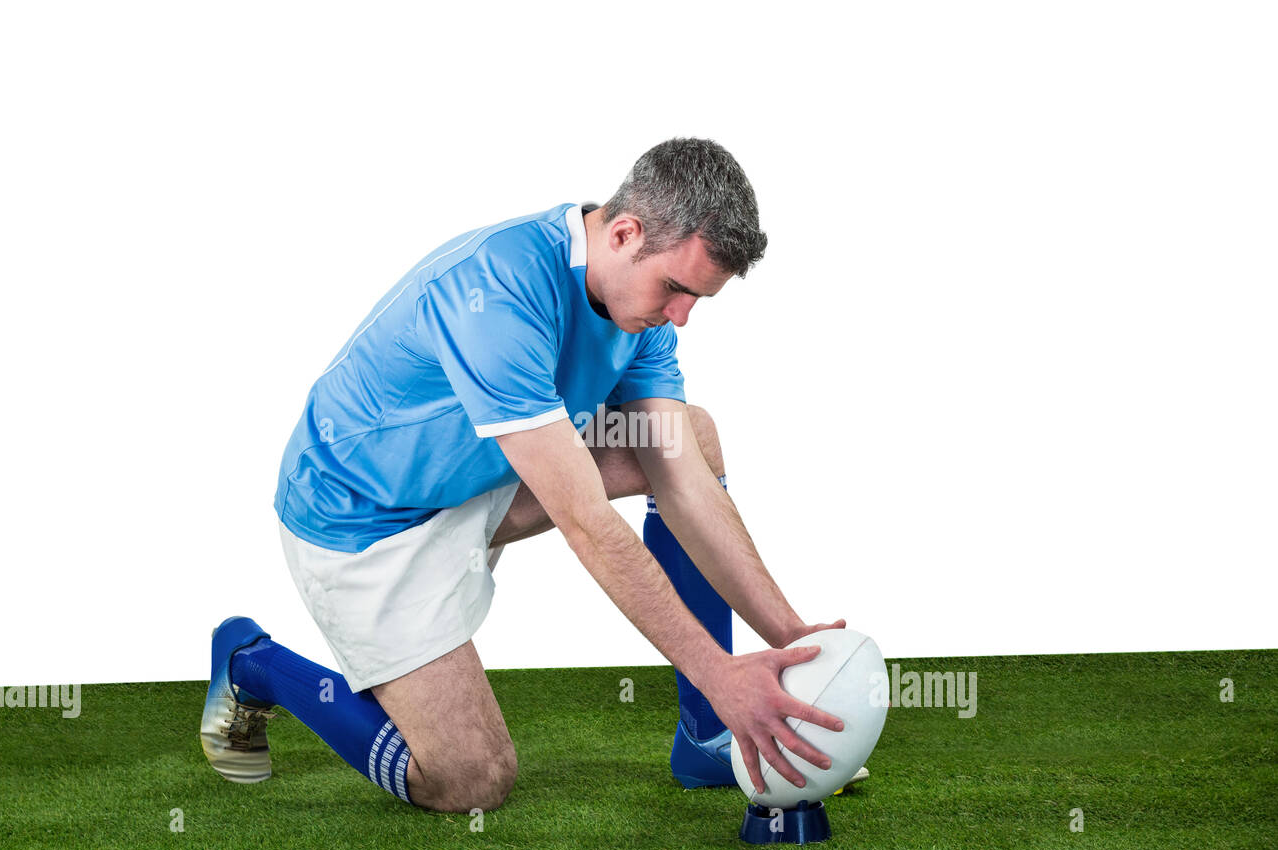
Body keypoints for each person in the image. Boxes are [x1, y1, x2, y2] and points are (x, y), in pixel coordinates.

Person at [200, 137, 865, 813]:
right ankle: (252, 662)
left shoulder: (640, 309)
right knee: (469, 780)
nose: (682, 316)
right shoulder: (499, 291)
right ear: (626, 232)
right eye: (676, 289)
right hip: (362, 518)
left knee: (687, 437)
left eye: (697, 298)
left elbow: (684, 479)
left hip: (486, 473)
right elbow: (586, 522)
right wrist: (720, 671)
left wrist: (792, 639)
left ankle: (706, 736)